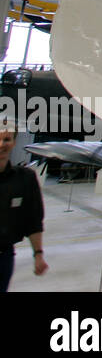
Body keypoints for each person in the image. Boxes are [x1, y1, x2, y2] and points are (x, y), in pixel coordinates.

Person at [0, 122, 48, 291]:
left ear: (13, 142)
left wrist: (38, 255)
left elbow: (33, 220)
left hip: (3, 257)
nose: (1, 145)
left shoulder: (25, 179)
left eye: (6, 139)